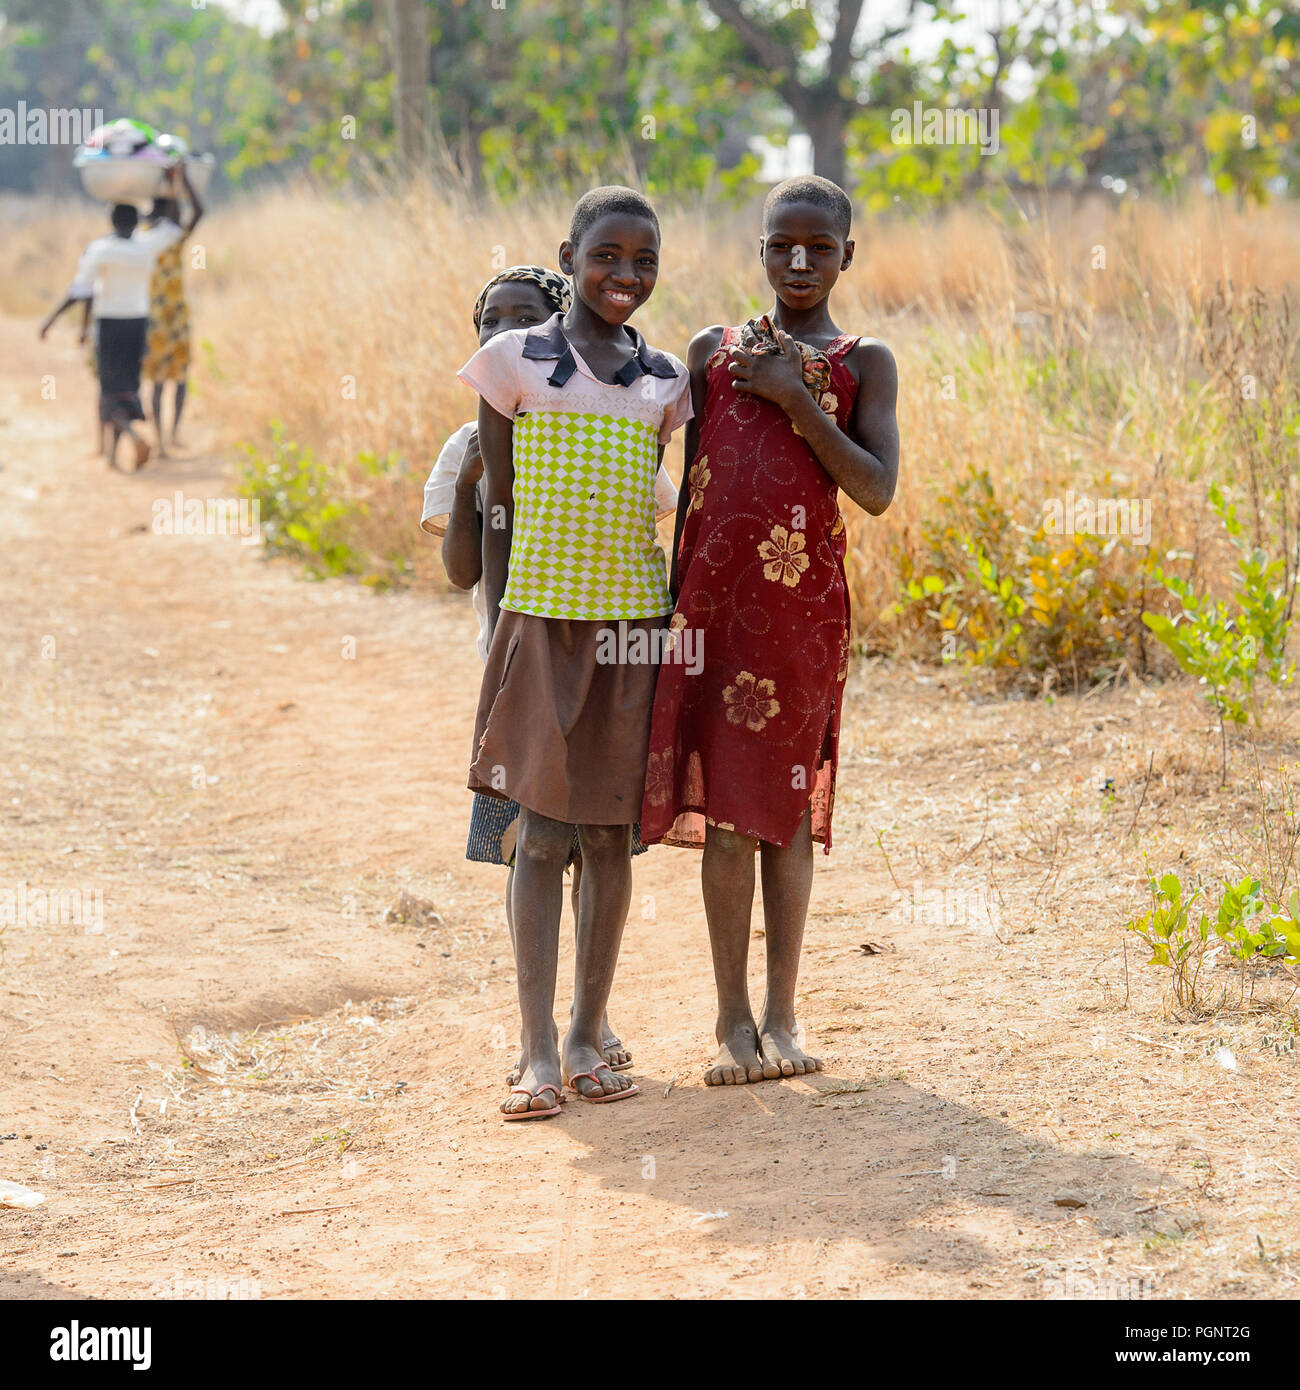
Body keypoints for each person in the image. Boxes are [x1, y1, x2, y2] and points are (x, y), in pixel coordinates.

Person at [640, 175, 901, 1087]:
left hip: (799, 617)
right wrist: (665, 609)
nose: (799, 262)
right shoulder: (714, 350)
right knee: (724, 816)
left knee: (785, 810)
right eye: (781, 245)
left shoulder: (865, 359)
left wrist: (800, 399)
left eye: (818, 248)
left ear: (846, 256)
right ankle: (731, 1022)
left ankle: (785, 1015)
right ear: (758, 250)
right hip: (710, 613)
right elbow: (689, 495)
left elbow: (873, 488)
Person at [458, 188, 692, 1119]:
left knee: (607, 834)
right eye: (606, 256)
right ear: (570, 255)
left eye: (643, 261)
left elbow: (664, 517)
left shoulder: (664, 382)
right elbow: (499, 509)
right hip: (541, 627)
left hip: (630, 632)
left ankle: (592, 1033)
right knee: (542, 835)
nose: (624, 276)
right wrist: (506, 633)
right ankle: (537, 1050)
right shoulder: (512, 363)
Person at [39, 163, 201, 471]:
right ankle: (115, 454)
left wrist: (51, 320)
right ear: (136, 222)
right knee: (128, 386)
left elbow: (80, 292)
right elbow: (177, 223)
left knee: (108, 386)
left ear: (111, 221)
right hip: (139, 325)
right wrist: (175, 182)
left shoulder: (100, 249)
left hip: (110, 326)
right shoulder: (148, 246)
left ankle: (125, 438)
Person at [142, 174, 205, 456]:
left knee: (168, 380)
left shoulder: (149, 238)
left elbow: (197, 211)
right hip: (169, 315)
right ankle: (165, 439)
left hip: (164, 316)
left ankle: (167, 438)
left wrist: (177, 180)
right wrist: (181, 180)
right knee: (171, 380)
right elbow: (198, 210)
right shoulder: (159, 237)